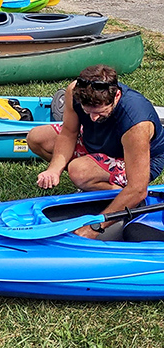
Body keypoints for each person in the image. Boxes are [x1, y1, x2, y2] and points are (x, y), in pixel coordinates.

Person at [27, 65, 164, 238]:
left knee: (79, 171)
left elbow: (138, 188)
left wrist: (95, 227)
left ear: (117, 96)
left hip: (139, 156)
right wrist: (54, 169)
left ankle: (124, 199)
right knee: (37, 137)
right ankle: (95, 181)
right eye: (88, 112)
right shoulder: (73, 90)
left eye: (100, 112)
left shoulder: (136, 123)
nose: (93, 118)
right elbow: (68, 132)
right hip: (99, 141)